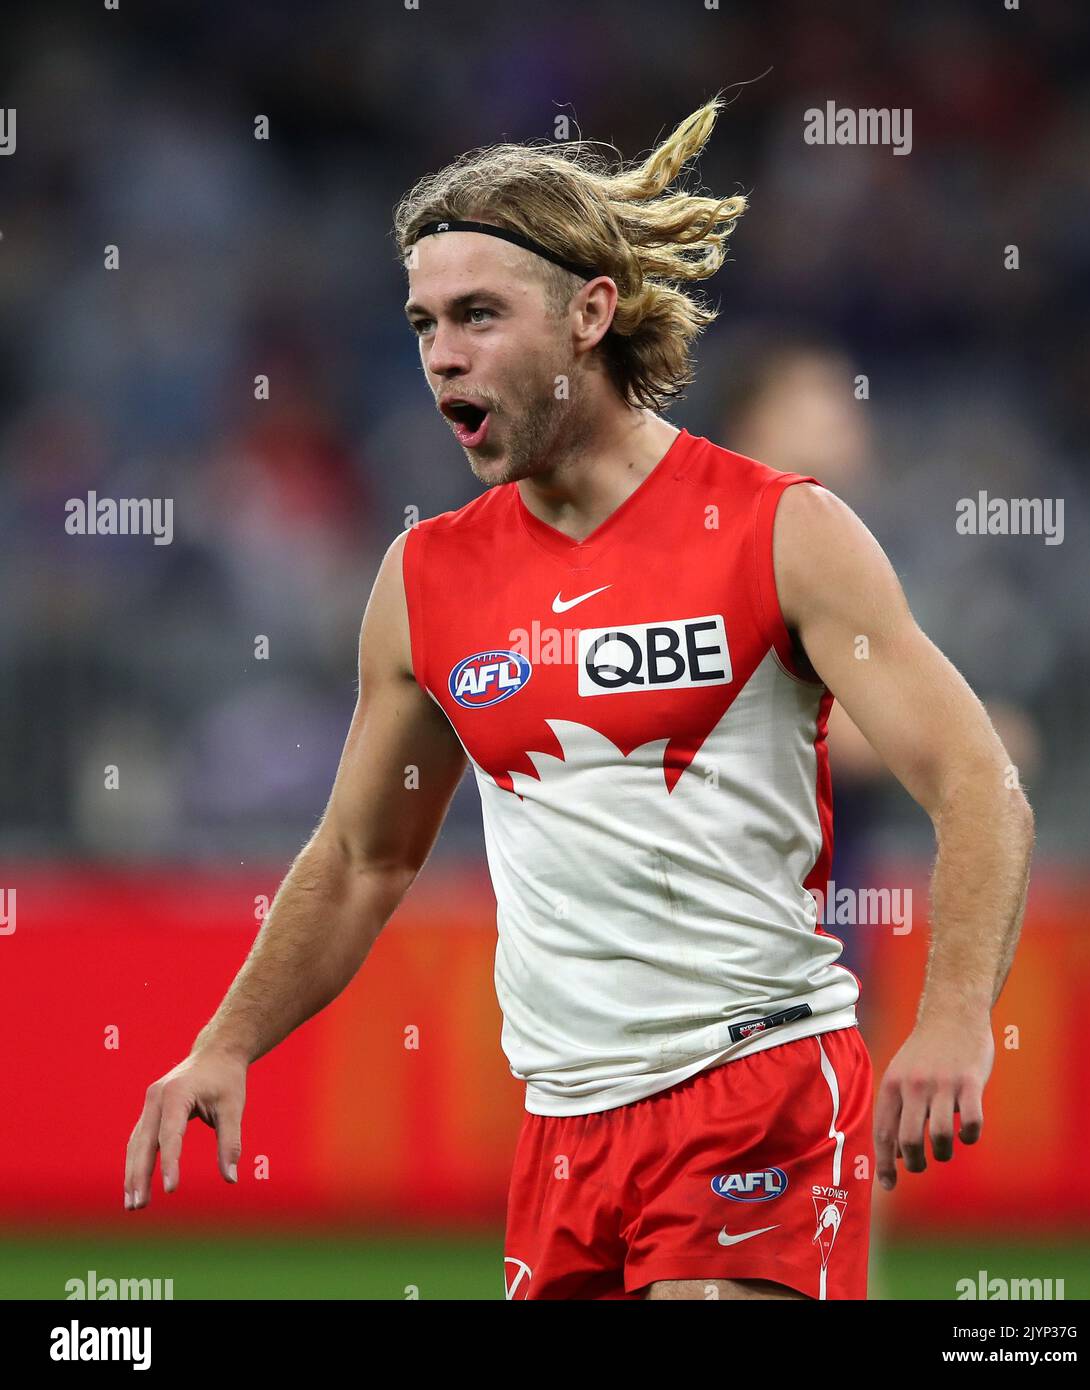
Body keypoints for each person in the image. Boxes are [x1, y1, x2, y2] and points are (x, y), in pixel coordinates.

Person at [124, 96, 1034, 1301]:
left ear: (590, 313)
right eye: (422, 323)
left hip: (754, 1086)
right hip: (563, 1131)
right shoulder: (423, 581)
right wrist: (226, 1041)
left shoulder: (779, 531)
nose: (441, 353)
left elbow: (978, 784)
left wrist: (956, 1016)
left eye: (478, 316)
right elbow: (358, 857)